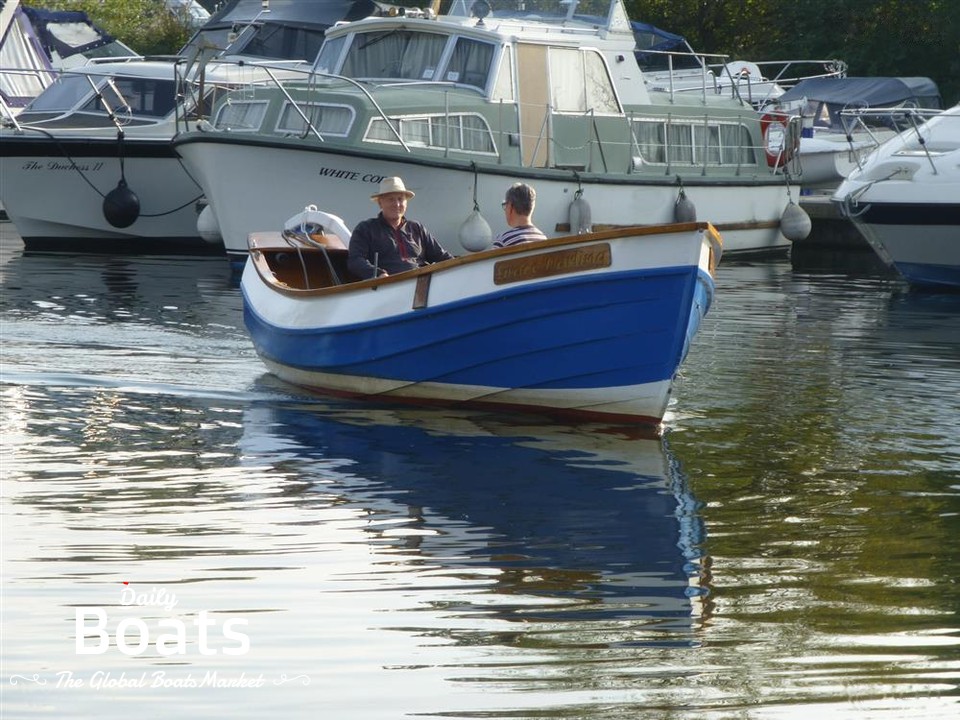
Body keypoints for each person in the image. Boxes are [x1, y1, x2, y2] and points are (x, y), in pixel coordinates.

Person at [347, 177, 453, 279]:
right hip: (387, 287)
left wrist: (463, 265)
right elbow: (355, 261)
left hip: (423, 283)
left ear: (406, 203)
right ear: (380, 203)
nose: (397, 204)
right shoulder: (366, 229)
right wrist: (379, 274)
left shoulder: (417, 228)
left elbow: (441, 256)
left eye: (400, 199)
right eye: (391, 199)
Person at [493, 182, 547, 248]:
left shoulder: (503, 241)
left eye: (505, 205)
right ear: (532, 207)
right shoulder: (543, 238)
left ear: (510, 206)